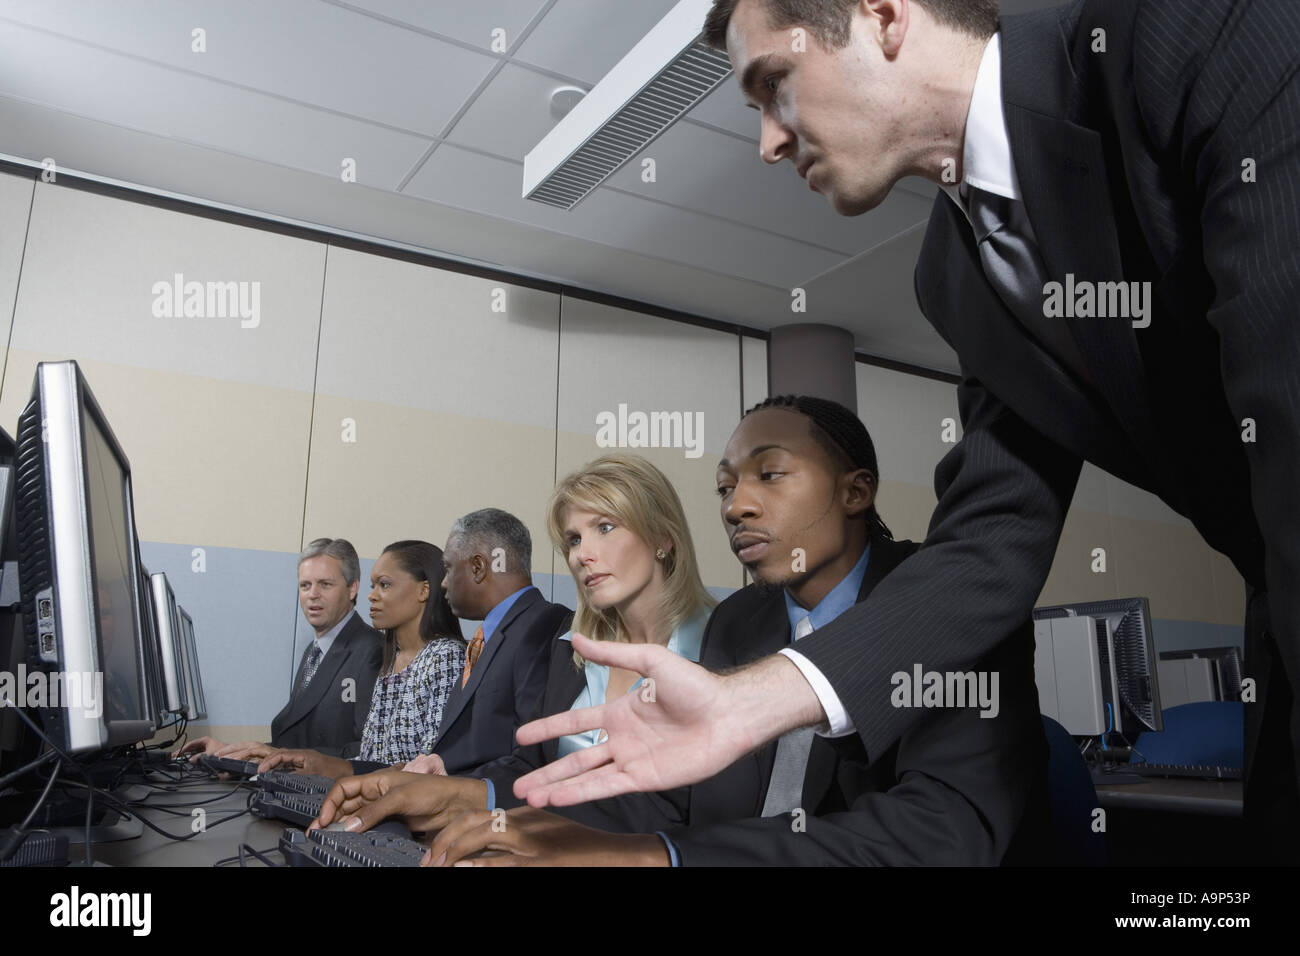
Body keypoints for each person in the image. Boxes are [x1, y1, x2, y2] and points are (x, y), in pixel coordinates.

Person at [509, 0, 1300, 862]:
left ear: (882, 16)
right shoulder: (952, 271)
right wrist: (753, 701)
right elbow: (991, 543)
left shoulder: (1193, 29)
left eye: (773, 86)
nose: (769, 142)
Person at [415, 396, 1049, 866]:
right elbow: (681, 808)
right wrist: (497, 813)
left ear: (856, 492)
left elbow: (940, 834)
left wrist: (656, 859)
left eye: (770, 474)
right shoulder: (741, 622)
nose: (736, 505)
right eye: (726, 486)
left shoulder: (951, 606)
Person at [310, 454, 715, 836]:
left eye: (605, 528)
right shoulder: (571, 649)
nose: (582, 555)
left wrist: (481, 806)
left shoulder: (722, 650)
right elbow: (529, 764)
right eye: (573, 540)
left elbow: (698, 819)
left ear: (663, 535)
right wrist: (451, 791)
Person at [349, 509, 571, 776]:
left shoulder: (541, 623)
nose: (443, 583)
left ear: (478, 568)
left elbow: (530, 754)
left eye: (449, 568)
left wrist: (445, 787)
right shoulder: (485, 640)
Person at [255, 540, 465, 777]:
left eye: (384, 585)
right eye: (373, 585)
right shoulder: (391, 660)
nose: (372, 596)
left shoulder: (445, 657)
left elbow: (428, 769)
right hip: (372, 794)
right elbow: (370, 757)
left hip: (404, 805)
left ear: (423, 590)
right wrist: (305, 763)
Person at [175, 537, 380, 760]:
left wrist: (275, 755)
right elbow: (294, 741)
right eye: (305, 585)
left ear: (353, 588)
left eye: (325, 584)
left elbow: (368, 751)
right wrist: (228, 752)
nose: (313, 594)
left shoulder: (372, 651)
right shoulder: (313, 652)